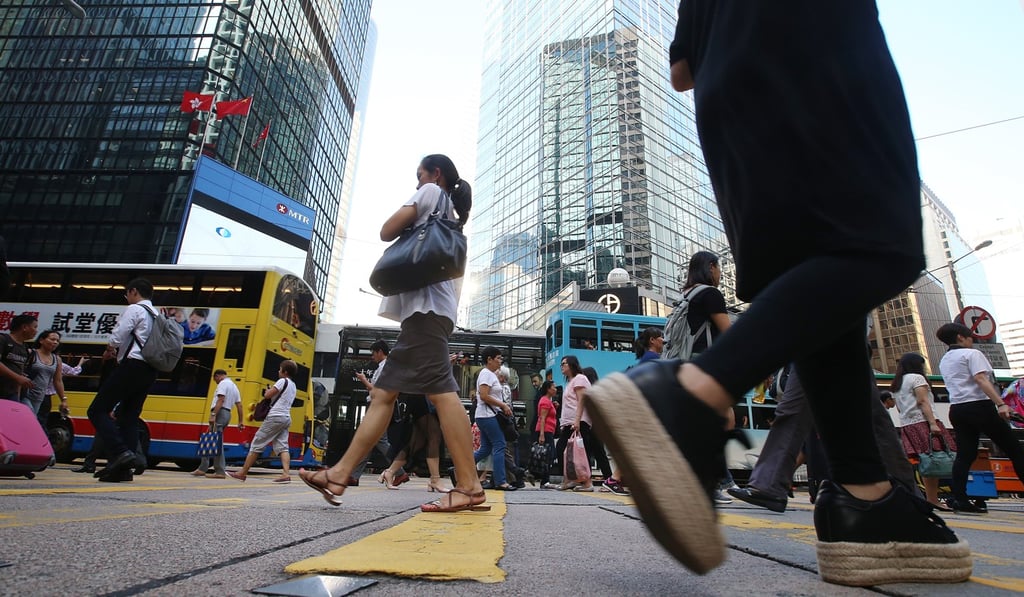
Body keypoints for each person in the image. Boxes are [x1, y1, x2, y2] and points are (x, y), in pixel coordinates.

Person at [585, 3, 971, 584]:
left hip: (727, 106)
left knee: (819, 289)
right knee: (881, 246)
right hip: (819, 51)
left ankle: (863, 499)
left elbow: (681, 71)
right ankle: (687, 397)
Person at [298, 154, 488, 512]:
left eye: (421, 175)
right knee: (385, 395)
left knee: (442, 395)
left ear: (437, 174)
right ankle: (339, 473)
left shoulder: (432, 193)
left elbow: (386, 230)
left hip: (426, 313)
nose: (418, 183)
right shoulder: (450, 217)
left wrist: (407, 221)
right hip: (429, 314)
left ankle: (469, 485)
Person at [936, 323, 1024, 514]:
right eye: (970, 338)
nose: (971, 342)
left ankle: (959, 499)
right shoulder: (971, 354)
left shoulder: (945, 359)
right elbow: (981, 379)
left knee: (965, 455)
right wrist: (1000, 404)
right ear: (961, 337)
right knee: (1015, 450)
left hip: (958, 409)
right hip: (979, 406)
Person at [88, 279, 161, 483]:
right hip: (151, 369)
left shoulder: (135, 309)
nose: (127, 298)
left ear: (134, 291)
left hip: (132, 365)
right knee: (129, 416)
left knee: (97, 410)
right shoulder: (157, 314)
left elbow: (119, 334)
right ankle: (124, 470)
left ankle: (121, 453)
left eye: (127, 294)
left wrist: (110, 349)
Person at [890, 352, 955, 508]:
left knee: (926, 461)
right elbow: (923, 401)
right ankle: (934, 499)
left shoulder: (897, 383)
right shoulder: (917, 378)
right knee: (937, 458)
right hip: (924, 421)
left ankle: (931, 498)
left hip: (907, 424)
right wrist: (932, 423)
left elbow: (899, 408)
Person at [228, 360, 297, 483]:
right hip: (286, 417)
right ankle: (286, 474)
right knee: (283, 446)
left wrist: (267, 391)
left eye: (280, 369)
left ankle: (242, 472)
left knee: (257, 443)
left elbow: (268, 395)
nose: (278, 371)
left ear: (285, 372)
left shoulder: (282, 381)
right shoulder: (293, 385)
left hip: (276, 416)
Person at [350, 340, 399, 487]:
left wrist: (364, 380)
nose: (372, 356)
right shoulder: (383, 367)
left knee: (378, 440)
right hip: (376, 405)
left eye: (373, 353)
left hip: (377, 406)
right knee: (369, 441)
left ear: (379, 351)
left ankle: (400, 471)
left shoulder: (386, 367)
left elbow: (377, 391)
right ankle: (354, 476)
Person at [472, 347, 516, 491]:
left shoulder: (488, 374)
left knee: (485, 448)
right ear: (489, 359)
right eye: (498, 358)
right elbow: (484, 395)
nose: (500, 361)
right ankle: (501, 481)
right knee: (500, 444)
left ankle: (461, 466)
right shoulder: (487, 374)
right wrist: (503, 405)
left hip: (484, 415)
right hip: (487, 415)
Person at [553, 356, 597, 492]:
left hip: (578, 421)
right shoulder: (571, 381)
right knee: (568, 451)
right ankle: (569, 480)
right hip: (570, 422)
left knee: (579, 451)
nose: (561, 366)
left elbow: (582, 400)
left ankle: (587, 483)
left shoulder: (579, 379)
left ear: (572, 364)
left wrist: (577, 420)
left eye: (564, 364)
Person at [192, 369, 244, 479]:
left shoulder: (223, 384)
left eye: (215, 379)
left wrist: (213, 414)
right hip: (227, 414)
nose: (215, 381)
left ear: (218, 376)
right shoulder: (234, 386)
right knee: (208, 439)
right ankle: (203, 467)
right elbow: (239, 405)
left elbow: (220, 399)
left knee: (216, 441)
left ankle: (219, 471)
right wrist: (240, 421)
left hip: (220, 413)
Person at [23, 329, 69, 429]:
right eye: (52, 339)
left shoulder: (57, 359)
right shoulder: (31, 353)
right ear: (41, 340)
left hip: (39, 397)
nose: (55, 342)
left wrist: (63, 400)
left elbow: (58, 381)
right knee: (30, 418)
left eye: (57, 340)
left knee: (31, 424)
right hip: (25, 394)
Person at [1, 314, 38, 402]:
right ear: (24, 327)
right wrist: (17, 377)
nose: (36, 331)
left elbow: (20, 371)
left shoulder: (25, 348)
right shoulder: (3, 339)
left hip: (11, 394)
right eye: (35, 327)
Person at [535, 381, 560, 489]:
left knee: (548, 455)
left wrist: (555, 407)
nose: (555, 389)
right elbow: (542, 418)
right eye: (553, 387)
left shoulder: (548, 401)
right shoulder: (545, 401)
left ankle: (544, 479)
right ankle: (544, 481)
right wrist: (541, 434)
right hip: (545, 431)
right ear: (548, 389)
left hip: (548, 431)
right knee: (547, 456)